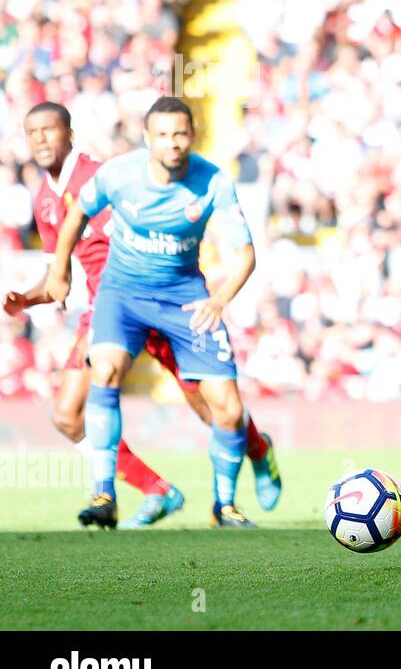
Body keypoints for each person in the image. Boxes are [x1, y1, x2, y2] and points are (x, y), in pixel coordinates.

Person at [7, 102, 281, 527]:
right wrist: (26, 298)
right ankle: (137, 492)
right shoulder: (46, 199)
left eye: (50, 129)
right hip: (115, 302)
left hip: (172, 299)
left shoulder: (106, 173)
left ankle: (257, 453)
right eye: (33, 132)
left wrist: (215, 293)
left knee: (214, 412)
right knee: (69, 410)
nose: (41, 139)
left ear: (70, 133)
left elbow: (212, 244)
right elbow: (54, 277)